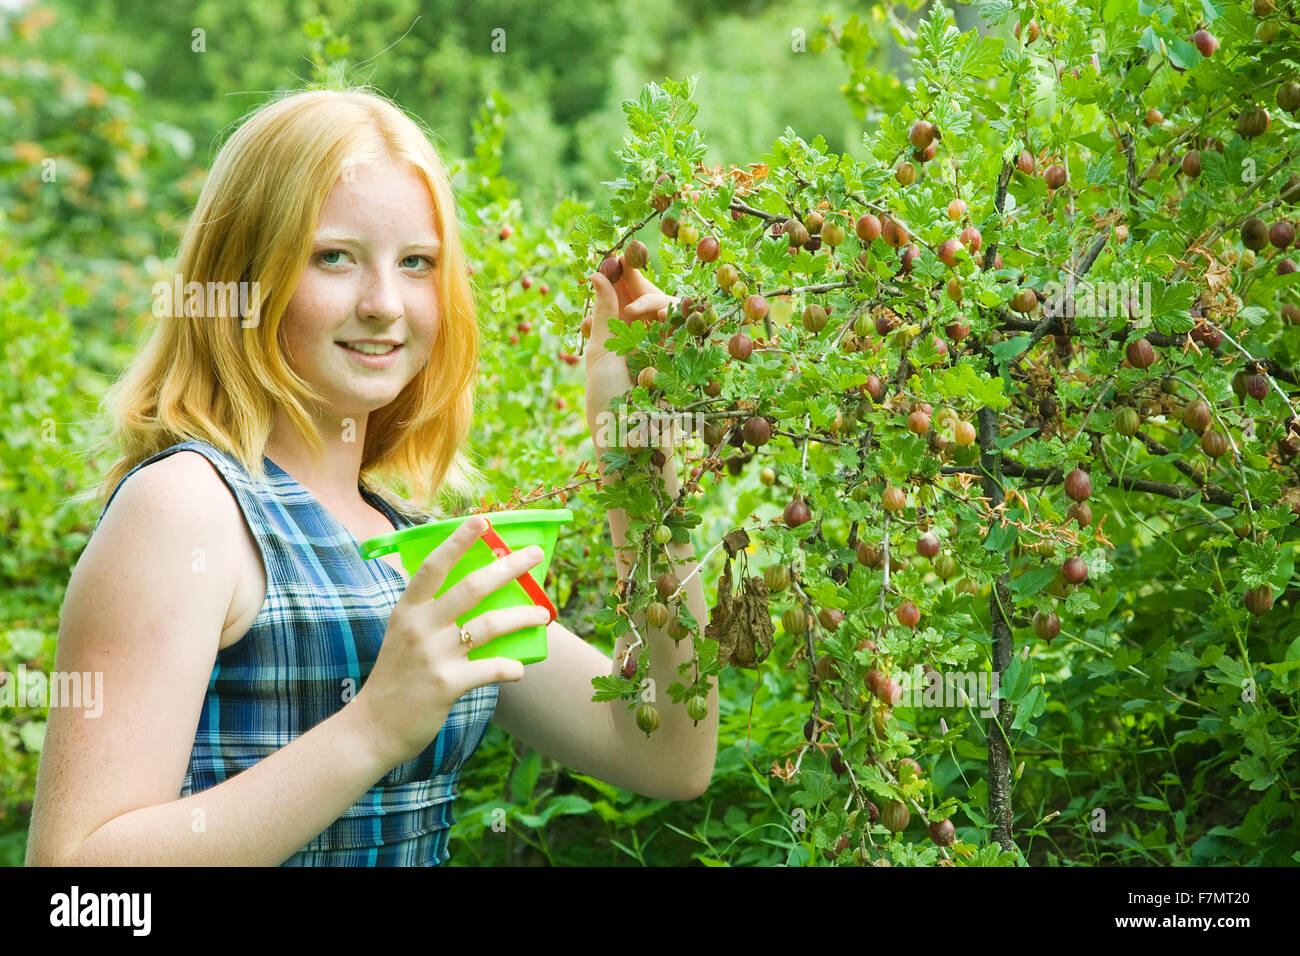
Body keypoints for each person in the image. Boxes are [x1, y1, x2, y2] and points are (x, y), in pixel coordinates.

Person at [25, 87, 715, 866]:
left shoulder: (406, 533)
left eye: (417, 263)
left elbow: (665, 751)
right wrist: (375, 726)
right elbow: (74, 892)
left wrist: (636, 449)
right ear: (244, 276)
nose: (385, 303)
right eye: (334, 257)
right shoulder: (186, 511)